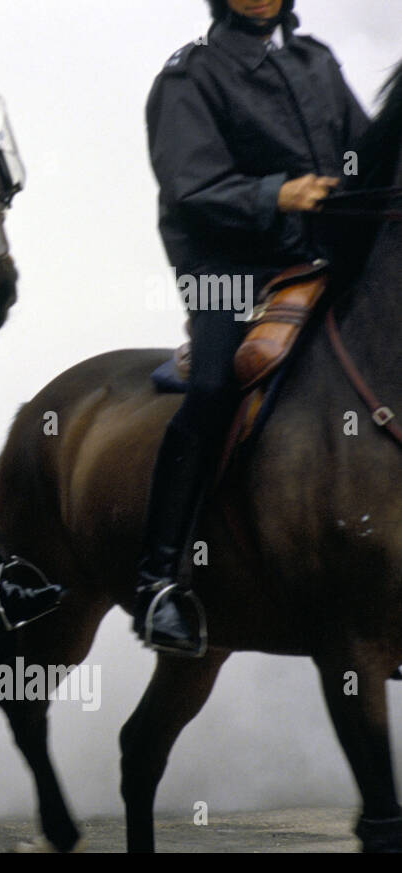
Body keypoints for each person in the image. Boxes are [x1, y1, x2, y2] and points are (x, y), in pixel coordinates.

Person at [135, 0, 370, 655]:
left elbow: (363, 154)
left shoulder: (316, 60)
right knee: (213, 388)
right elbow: (190, 185)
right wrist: (277, 194)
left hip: (323, 255)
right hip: (229, 270)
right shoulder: (190, 77)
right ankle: (157, 582)